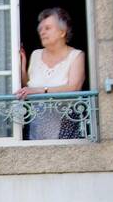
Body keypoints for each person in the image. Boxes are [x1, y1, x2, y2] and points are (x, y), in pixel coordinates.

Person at [16, 7, 86, 141]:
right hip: (36, 127)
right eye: (40, 29)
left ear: (62, 32)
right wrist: (22, 68)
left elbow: (74, 88)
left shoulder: (76, 55)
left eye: (47, 28)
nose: (42, 32)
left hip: (66, 125)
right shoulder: (36, 55)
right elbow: (29, 88)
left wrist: (43, 90)